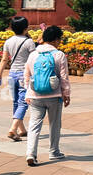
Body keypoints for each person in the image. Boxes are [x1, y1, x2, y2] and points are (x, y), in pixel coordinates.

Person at [22, 24, 70, 167]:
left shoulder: (33, 55)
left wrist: (27, 92)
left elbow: (27, 75)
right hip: (54, 95)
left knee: (34, 125)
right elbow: (64, 77)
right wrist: (66, 94)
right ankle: (54, 151)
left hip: (35, 95)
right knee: (55, 124)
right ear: (55, 40)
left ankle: (31, 153)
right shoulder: (59, 55)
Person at [0, 16, 36, 142]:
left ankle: (21, 129)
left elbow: (4, 60)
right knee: (23, 103)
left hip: (12, 74)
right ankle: (13, 129)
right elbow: (34, 59)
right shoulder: (29, 42)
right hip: (24, 75)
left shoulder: (8, 41)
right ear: (26, 28)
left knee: (16, 102)